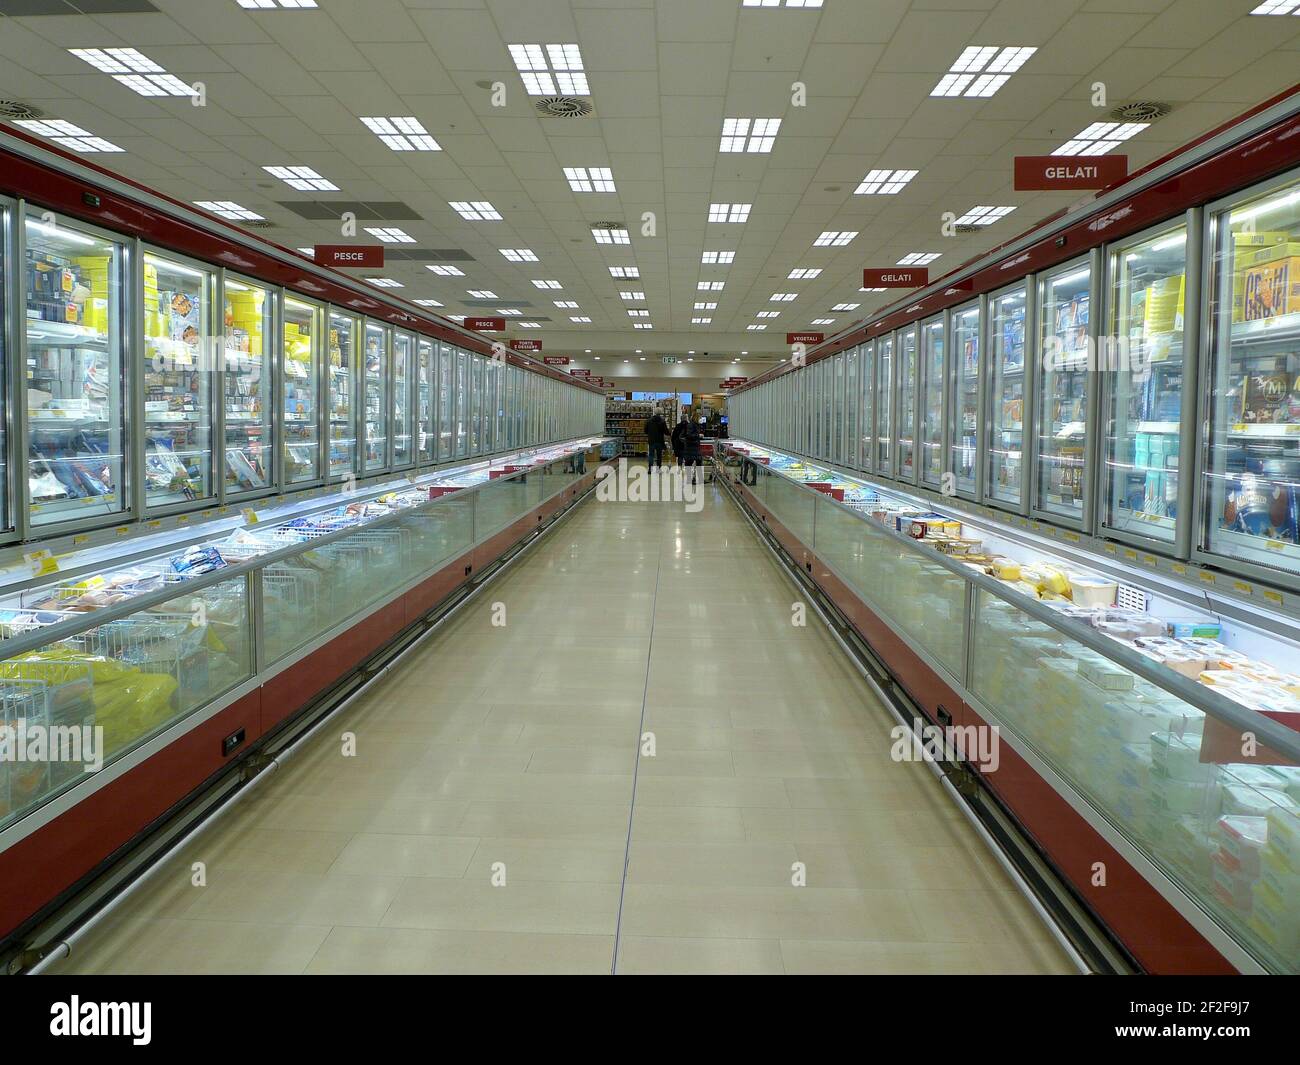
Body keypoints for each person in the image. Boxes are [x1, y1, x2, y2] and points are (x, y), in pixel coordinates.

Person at [682, 416, 703, 486]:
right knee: (693, 462)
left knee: (693, 462)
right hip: (692, 447)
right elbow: (689, 435)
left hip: (693, 447)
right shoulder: (691, 425)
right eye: (700, 418)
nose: (701, 419)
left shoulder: (694, 425)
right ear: (696, 418)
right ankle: (694, 478)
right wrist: (698, 435)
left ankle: (695, 478)